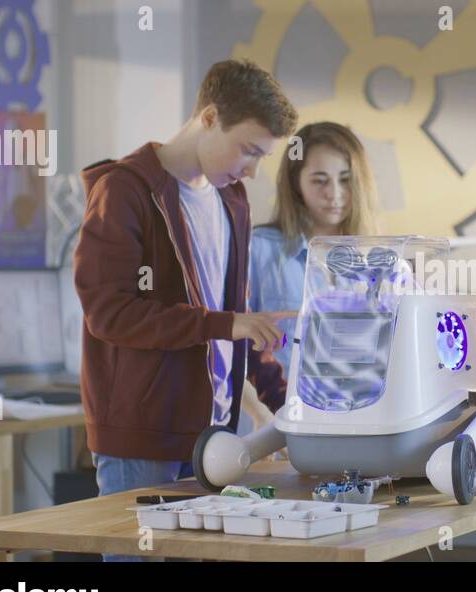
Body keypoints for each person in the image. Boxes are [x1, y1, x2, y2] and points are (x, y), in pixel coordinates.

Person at [74, 59, 299, 561]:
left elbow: (234, 324)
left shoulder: (231, 200)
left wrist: (289, 405)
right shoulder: (125, 190)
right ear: (210, 117)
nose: (252, 170)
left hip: (211, 438)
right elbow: (110, 313)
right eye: (249, 150)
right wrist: (227, 323)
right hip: (142, 438)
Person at [242, 121, 379, 429]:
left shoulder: (370, 266)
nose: (335, 194)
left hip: (349, 428)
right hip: (268, 428)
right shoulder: (259, 250)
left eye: (345, 180)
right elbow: (229, 348)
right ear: (295, 183)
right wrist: (259, 415)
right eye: (320, 180)